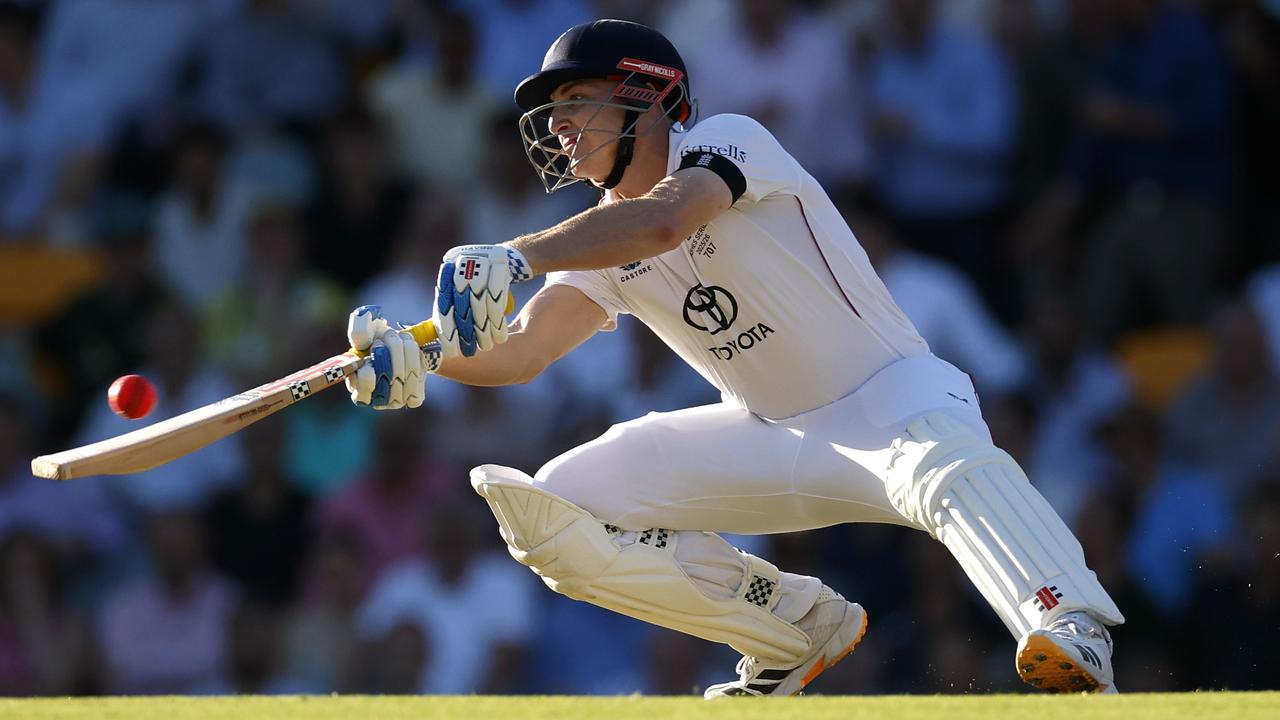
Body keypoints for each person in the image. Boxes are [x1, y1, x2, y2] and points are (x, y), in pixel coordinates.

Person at [343, 19, 1124, 696]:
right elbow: (522, 354)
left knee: (941, 467)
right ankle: (794, 630)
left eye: (575, 101)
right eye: (554, 112)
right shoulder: (592, 240)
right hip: (771, 435)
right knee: (560, 508)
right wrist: (419, 358)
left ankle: (1069, 621)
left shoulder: (729, 141)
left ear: (645, 96)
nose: (557, 126)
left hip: (891, 398)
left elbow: (666, 223)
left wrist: (514, 255)